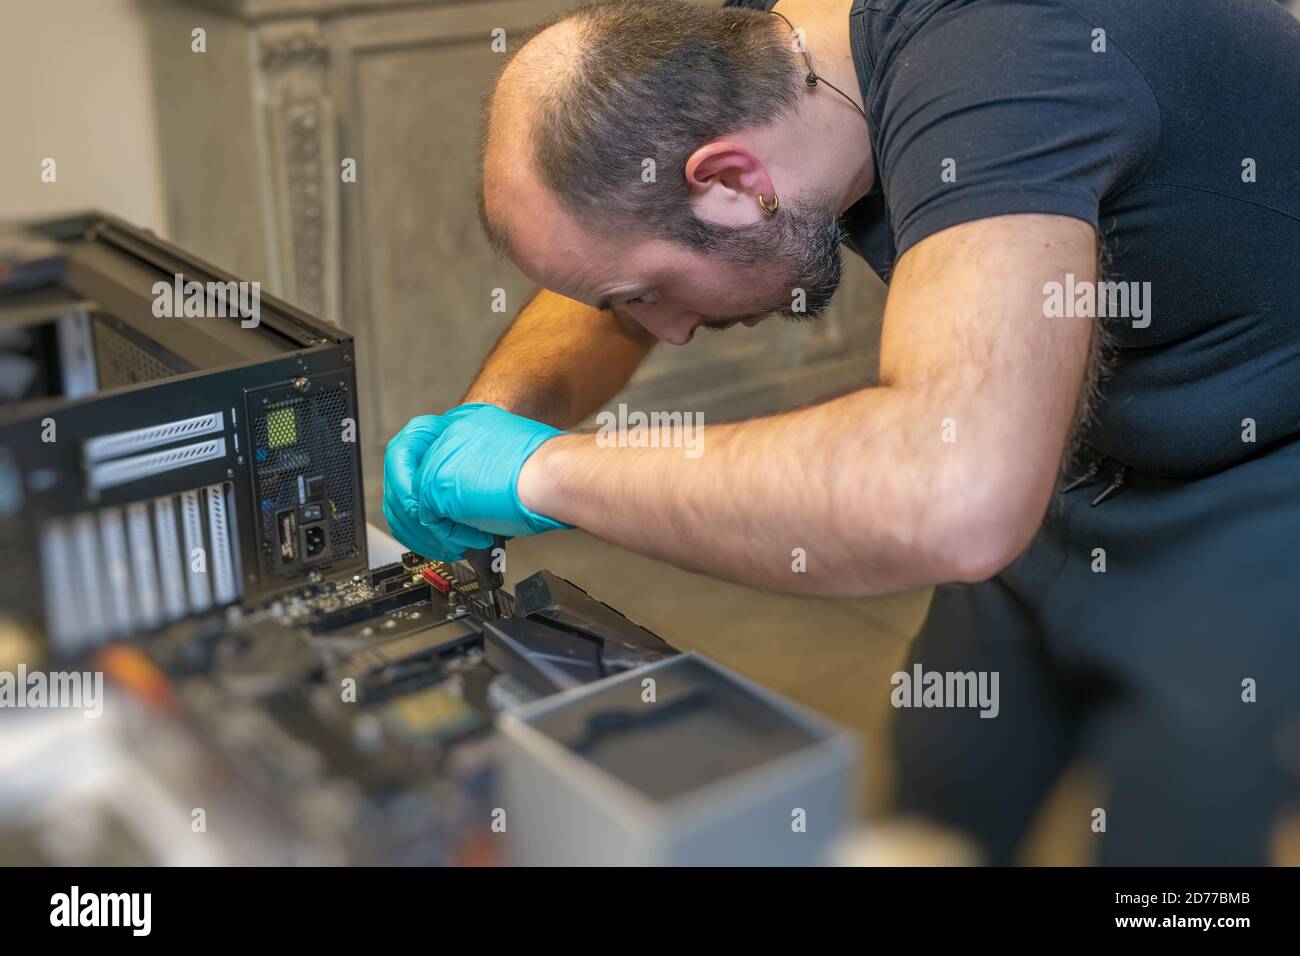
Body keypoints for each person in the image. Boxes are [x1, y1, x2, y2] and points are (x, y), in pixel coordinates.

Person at [383, 0, 1300, 864]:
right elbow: (621, 236)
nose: (658, 330)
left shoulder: (1007, 68)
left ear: (737, 182)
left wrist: (540, 476)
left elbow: (955, 494)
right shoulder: (735, 49)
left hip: (1258, 470)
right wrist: (495, 417)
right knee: (944, 791)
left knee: (1180, 853)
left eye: (646, 298)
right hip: (1060, 445)